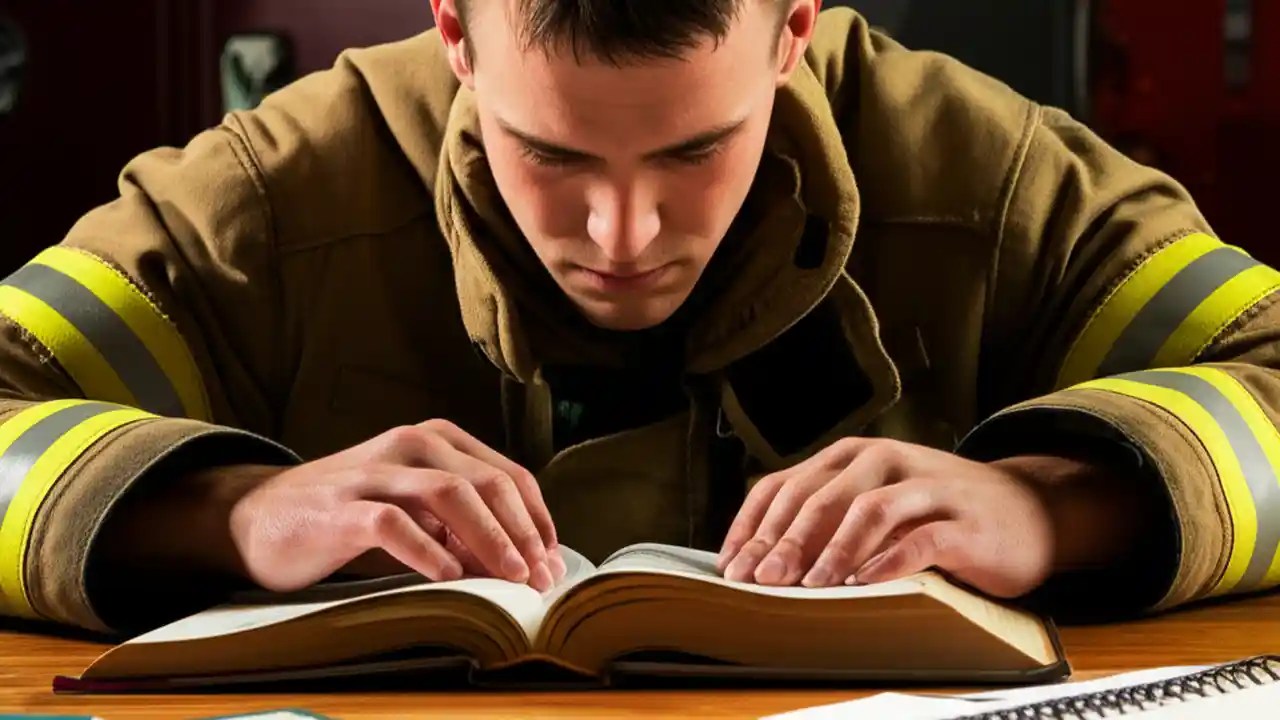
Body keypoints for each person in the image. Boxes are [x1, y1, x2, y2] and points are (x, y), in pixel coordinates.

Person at [1, 0, 1277, 636]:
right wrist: (228, 513)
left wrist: (1053, 504)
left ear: (791, 29)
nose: (620, 238)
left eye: (694, 154)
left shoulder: (986, 171)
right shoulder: (269, 194)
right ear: (453, 31)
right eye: (549, 154)